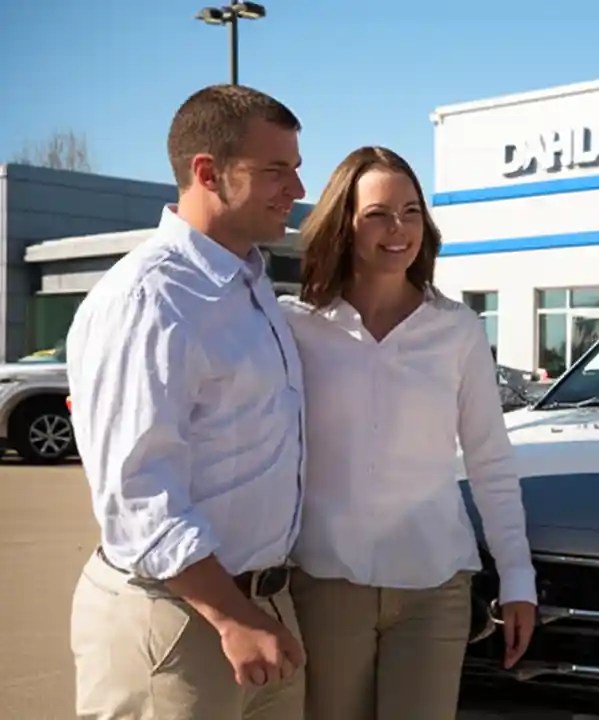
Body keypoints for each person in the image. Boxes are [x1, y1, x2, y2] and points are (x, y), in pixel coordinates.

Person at [65, 84, 309, 719]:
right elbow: (137, 491)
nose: (296, 189)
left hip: (258, 612)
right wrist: (231, 616)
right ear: (208, 172)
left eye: (296, 169)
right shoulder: (150, 300)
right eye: (274, 170)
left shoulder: (251, 287)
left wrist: (256, 613)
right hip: (181, 620)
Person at [277, 146, 537, 720]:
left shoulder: (458, 330)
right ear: (343, 222)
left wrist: (518, 578)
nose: (398, 230)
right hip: (324, 585)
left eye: (411, 211)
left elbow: (491, 460)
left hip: (433, 588)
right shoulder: (295, 328)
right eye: (377, 214)